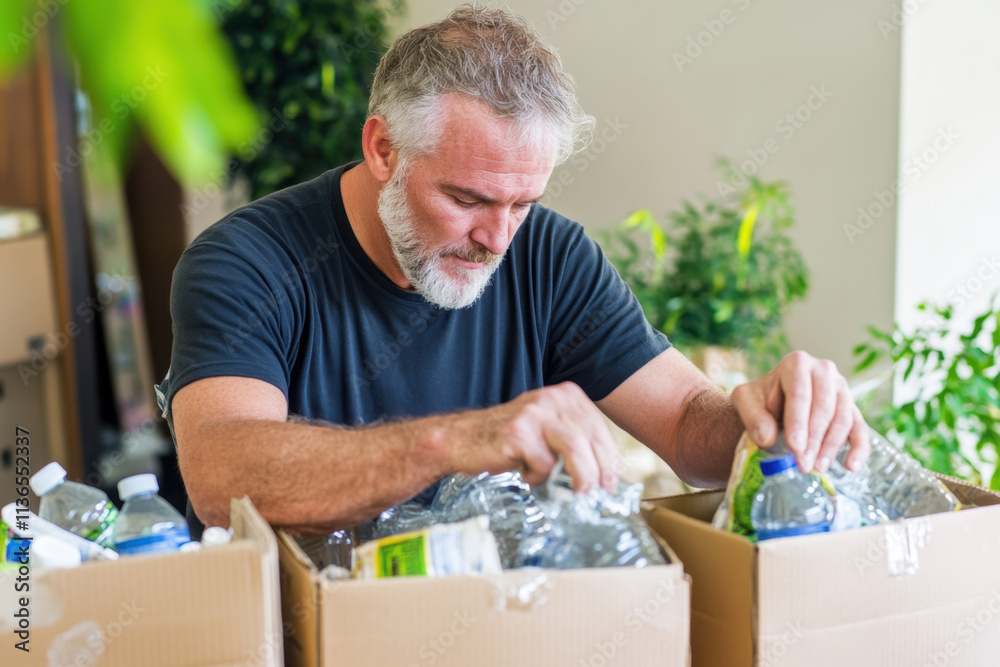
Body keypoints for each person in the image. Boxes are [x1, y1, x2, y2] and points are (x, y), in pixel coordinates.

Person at [156, 6, 870, 537]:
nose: (496, 239)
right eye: (465, 198)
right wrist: (456, 441)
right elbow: (223, 477)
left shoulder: (551, 256)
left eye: (523, 202)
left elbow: (689, 426)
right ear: (383, 149)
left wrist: (759, 416)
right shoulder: (245, 263)